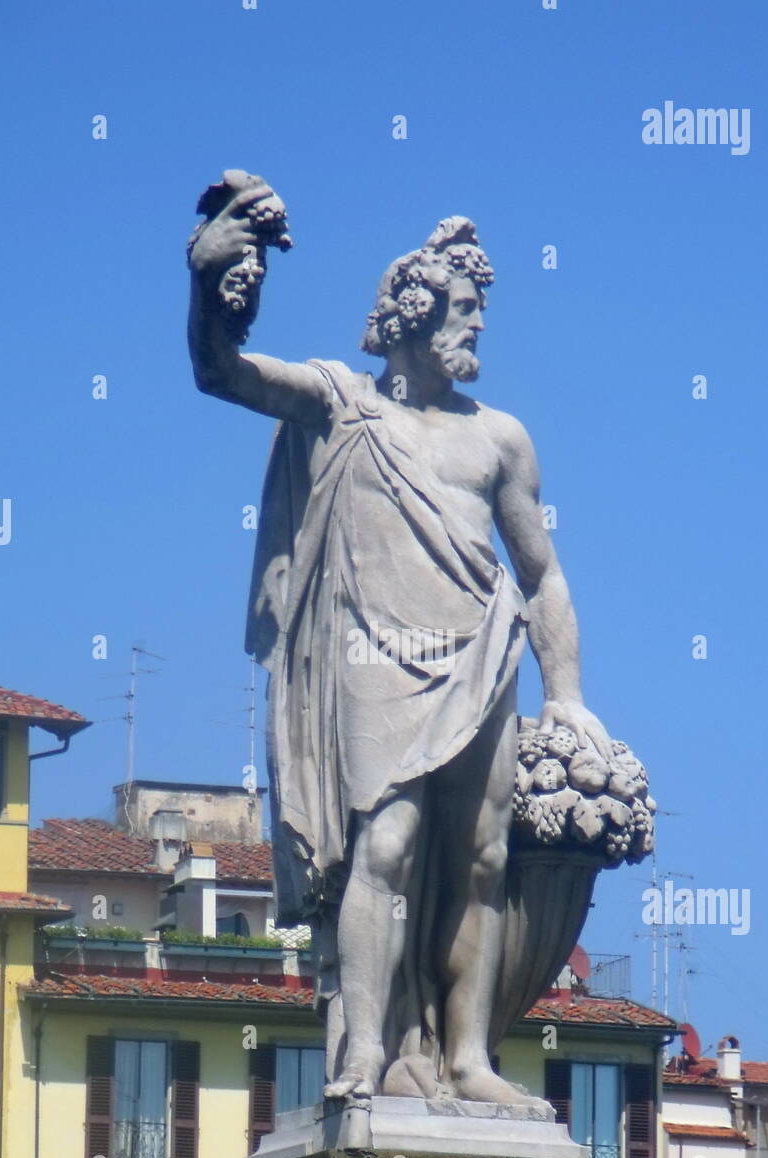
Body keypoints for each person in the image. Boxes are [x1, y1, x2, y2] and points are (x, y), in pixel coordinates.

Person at [188, 189, 609, 1104]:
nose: (479, 335)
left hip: (480, 656)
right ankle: (365, 1056)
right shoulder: (342, 404)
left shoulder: (498, 437)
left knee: (484, 856)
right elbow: (223, 374)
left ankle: (466, 1061)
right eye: (466, 313)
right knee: (387, 845)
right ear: (415, 314)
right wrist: (212, 276)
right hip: (375, 663)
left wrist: (566, 694)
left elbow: (540, 574)